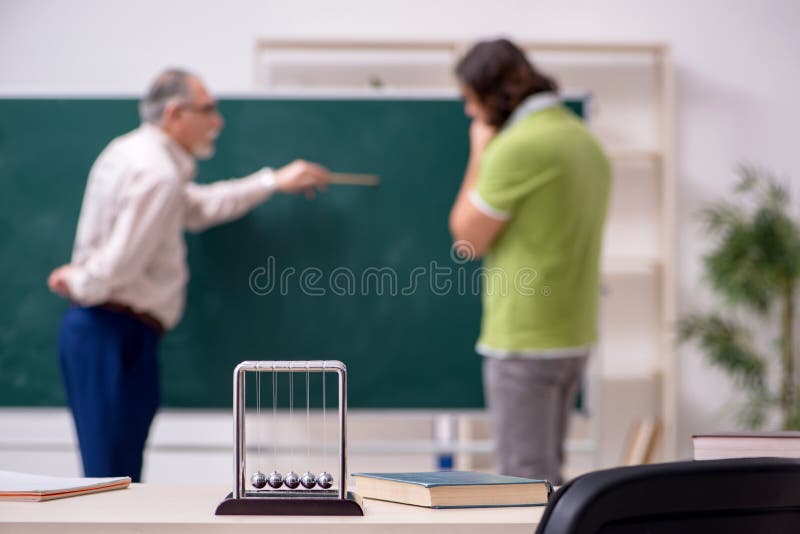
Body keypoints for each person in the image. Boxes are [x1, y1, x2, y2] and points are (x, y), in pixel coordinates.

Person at [47, 69, 330, 482]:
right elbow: (123, 261)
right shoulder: (156, 171)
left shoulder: (147, 159)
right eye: (209, 110)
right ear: (175, 113)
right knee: (110, 479)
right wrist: (79, 283)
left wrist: (272, 181)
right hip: (109, 328)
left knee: (115, 477)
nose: (218, 122)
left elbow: (197, 208)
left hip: (118, 330)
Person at [448, 39, 611, 485]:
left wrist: (480, 150)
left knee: (523, 486)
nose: (468, 112)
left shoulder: (518, 148)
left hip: (524, 341)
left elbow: (467, 236)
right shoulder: (583, 140)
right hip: (572, 334)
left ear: (492, 93)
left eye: (469, 99)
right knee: (547, 477)